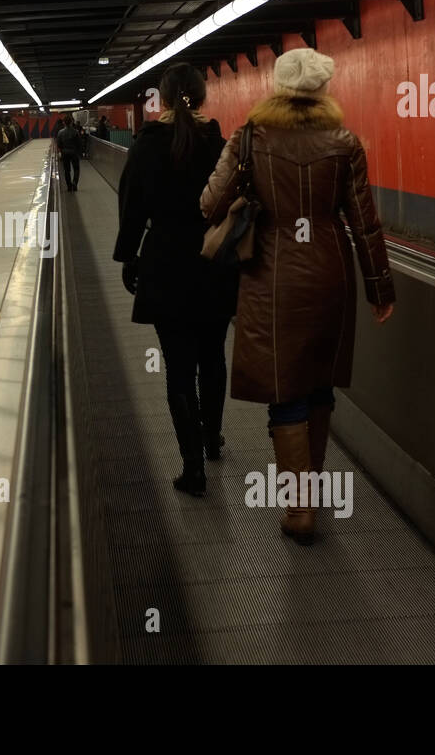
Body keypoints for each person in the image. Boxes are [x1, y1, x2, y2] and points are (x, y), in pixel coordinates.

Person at [200, 48, 395, 542]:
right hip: (331, 275)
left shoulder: (248, 139)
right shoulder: (345, 143)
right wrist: (379, 288)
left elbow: (210, 204)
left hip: (272, 278)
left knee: (284, 388)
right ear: (322, 90)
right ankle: (312, 495)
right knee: (319, 383)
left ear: (278, 88)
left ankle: (299, 507)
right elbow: (364, 223)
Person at [114, 63, 236, 496]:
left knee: (179, 368)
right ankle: (212, 439)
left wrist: (129, 257)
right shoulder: (221, 144)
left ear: (160, 101)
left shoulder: (146, 147)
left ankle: (193, 469)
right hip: (215, 265)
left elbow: (131, 208)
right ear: (202, 98)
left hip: (166, 266)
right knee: (214, 357)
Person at [54, 115, 82, 191]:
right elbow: (79, 143)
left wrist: (62, 150)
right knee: (76, 169)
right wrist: (80, 153)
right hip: (74, 153)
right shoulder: (75, 132)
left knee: (67, 170)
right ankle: (75, 183)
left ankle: (69, 186)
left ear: (64, 123)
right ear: (71, 122)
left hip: (65, 153)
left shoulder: (60, 132)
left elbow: (59, 144)